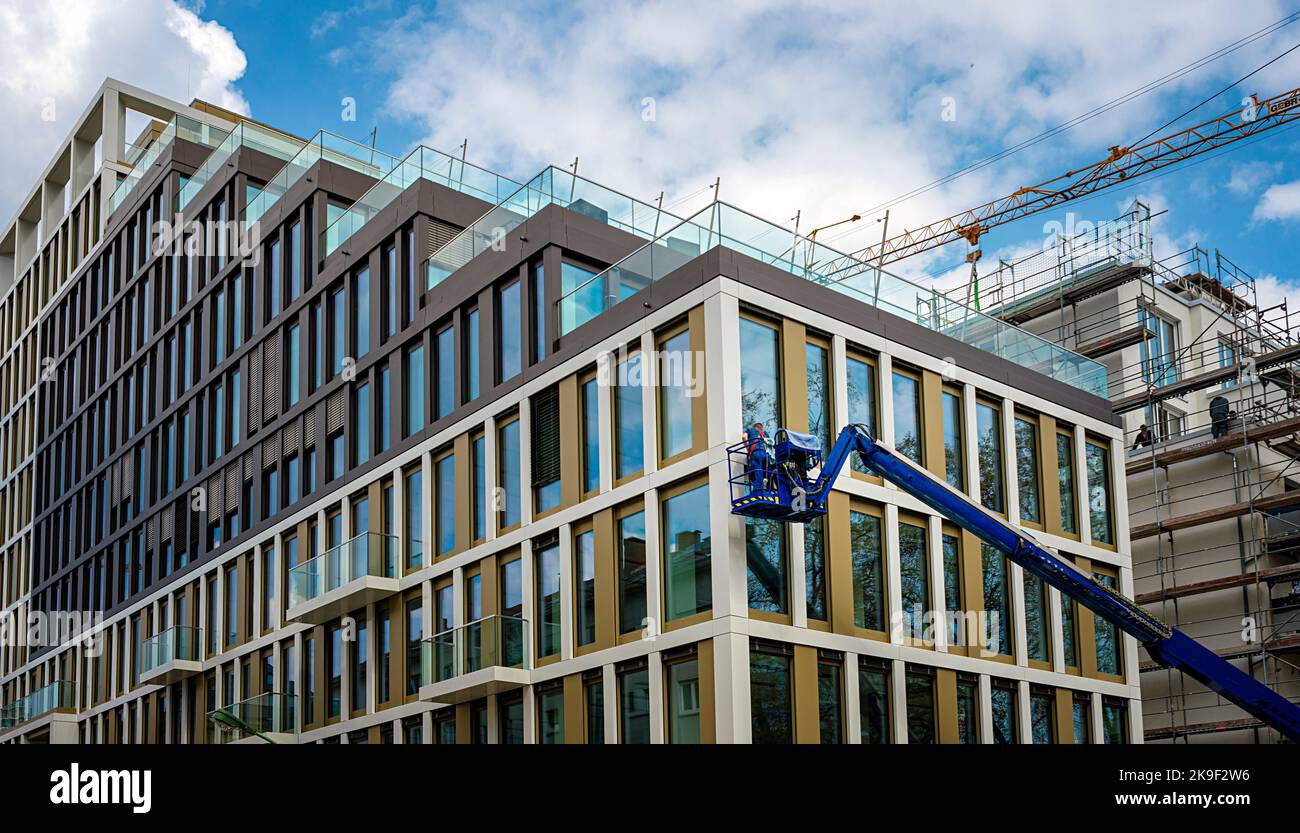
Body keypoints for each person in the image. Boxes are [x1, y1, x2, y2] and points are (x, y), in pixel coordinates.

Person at [745, 422, 772, 491]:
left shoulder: (750, 430)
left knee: (756, 472)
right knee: (766, 473)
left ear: (755, 427)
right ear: (761, 428)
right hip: (766, 455)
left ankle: (757, 490)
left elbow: (744, 437)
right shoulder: (765, 433)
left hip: (757, 453)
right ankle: (767, 490)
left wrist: (748, 448)